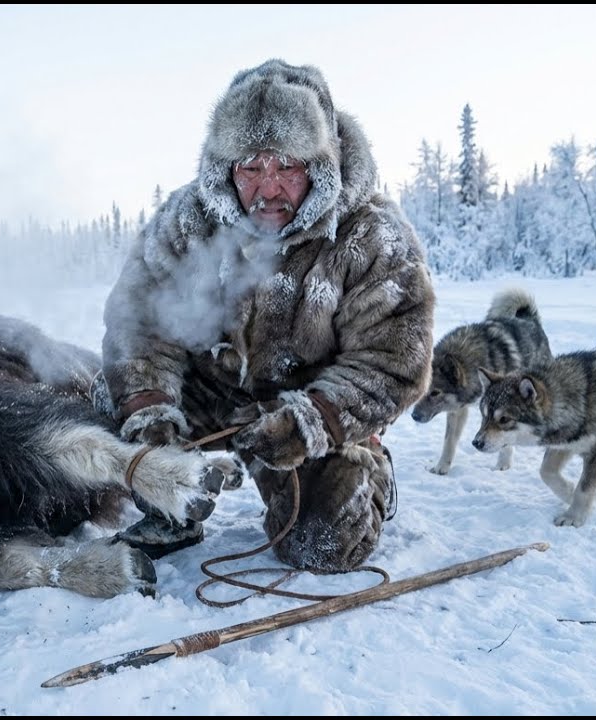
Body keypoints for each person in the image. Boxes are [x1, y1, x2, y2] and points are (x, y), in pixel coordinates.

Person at [96, 59, 436, 572]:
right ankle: (172, 504)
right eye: (251, 169)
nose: (268, 189)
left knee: (322, 544)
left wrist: (311, 422)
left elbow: (394, 360)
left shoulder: (370, 234)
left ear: (320, 165)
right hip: (213, 392)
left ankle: (370, 472)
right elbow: (137, 322)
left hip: (308, 406)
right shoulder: (187, 221)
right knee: (114, 397)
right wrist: (152, 411)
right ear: (227, 168)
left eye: (287, 167)